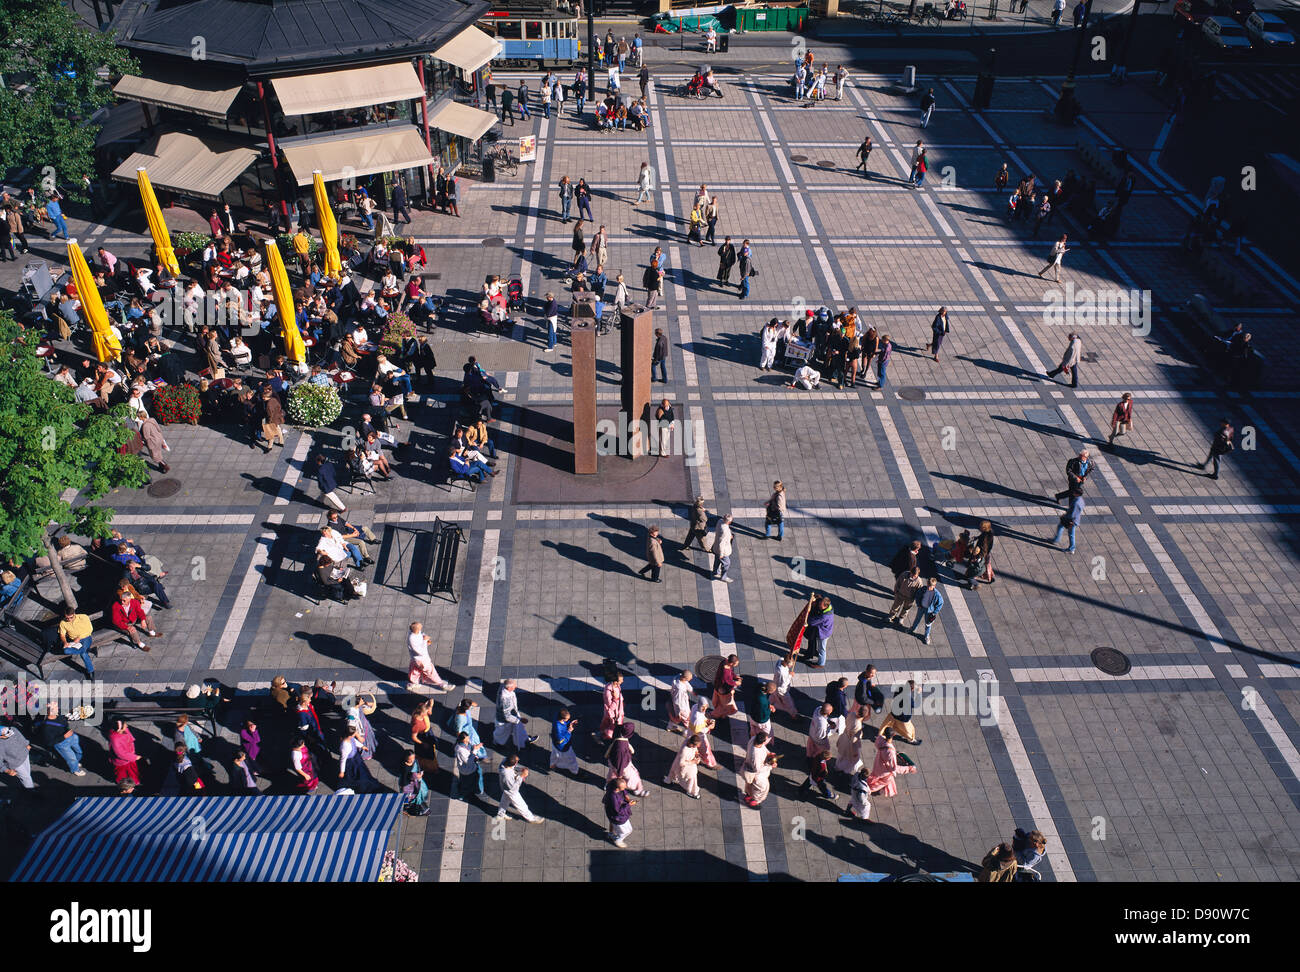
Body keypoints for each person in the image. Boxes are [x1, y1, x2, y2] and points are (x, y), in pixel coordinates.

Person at [866, 726, 917, 797]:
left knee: (875, 776)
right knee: (883, 782)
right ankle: (869, 789)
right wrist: (909, 769)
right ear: (894, 735)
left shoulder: (880, 739)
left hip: (878, 763)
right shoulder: (890, 752)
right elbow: (893, 768)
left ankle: (870, 785)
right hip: (884, 771)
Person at [40, 702, 85, 776]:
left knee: (79, 752)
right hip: (62, 744)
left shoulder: (58, 714)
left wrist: (71, 713)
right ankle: (75, 770)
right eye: (56, 707)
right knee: (71, 759)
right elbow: (50, 742)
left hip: (72, 737)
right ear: (51, 712)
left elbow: (65, 721)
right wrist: (64, 736)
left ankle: (75, 763)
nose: (58, 708)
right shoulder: (46, 727)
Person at [496, 754, 544, 823]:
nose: (517, 762)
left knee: (505, 801)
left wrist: (521, 769)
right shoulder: (507, 775)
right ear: (514, 763)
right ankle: (531, 818)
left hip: (505, 788)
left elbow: (513, 767)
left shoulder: (505, 762)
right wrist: (522, 776)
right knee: (521, 805)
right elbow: (514, 788)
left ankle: (500, 815)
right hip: (511, 791)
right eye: (517, 761)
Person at [605, 722, 649, 796]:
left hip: (612, 762)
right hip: (623, 766)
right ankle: (638, 790)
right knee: (634, 777)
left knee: (612, 775)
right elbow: (620, 761)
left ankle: (608, 785)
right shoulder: (621, 748)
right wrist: (620, 774)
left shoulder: (618, 735)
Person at [494, 677, 537, 750]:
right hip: (506, 720)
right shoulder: (505, 700)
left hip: (511, 715)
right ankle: (498, 744)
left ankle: (524, 739)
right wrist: (518, 720)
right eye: (514, 686)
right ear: (508, 688)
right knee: (502, 733)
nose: (516, 687)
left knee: (518, 729)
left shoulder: (503, 687)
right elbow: (507, 716)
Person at [407, 620, 450, 691]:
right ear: (417, 629)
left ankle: (414, 683)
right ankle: (441, 684)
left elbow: (420, 634)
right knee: (431, 672)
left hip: (415, 660)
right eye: (420, 628)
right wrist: (424, 641)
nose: (421, 629)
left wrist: (425, 640)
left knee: (415, 671)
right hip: (422, 660)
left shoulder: (413, 632)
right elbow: (421, 651)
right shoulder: (412, 639)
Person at [56, 605, 96, 677]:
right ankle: (87, 649)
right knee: (66, 651)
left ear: (74, 614)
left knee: (83, 654)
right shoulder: (63, 622)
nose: (69, 620)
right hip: (74, 642)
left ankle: (91, 671)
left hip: (86, 638)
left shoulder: (83, 617)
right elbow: (62, 635)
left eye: (71, 617)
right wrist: (65, 642)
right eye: (67, 618)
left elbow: (90, 630)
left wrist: (79, 638)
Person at [664, 733, 703, 798]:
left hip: (678, 762)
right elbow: (681, 763)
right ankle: (692, 792)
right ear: (693, 745)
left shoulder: (689, 739)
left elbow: (695, 750)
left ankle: (668, 781)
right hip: (686, 766)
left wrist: (697, 754)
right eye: (697, 746)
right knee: (692, 778)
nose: (698, 747)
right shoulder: (684, 751)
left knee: (673, 770)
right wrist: (693, 761)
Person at [910, 577, 946, 644]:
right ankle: (913, 628)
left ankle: (926, 636)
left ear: (934, 586)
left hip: (929, 611)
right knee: (917, 619)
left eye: (930, 586)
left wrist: (934, 612)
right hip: (921, 607)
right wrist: (918, 604)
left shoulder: (937, 594)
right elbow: (917, 595)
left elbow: (941, 603)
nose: (928, 587)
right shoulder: (923, 589)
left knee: (928, 624)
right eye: (928, 585)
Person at [109, 719, 141, 792]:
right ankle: (124, 784)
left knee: (132, 771)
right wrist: (135, 757)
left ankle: (132, 782)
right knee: (123, 773)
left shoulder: (123, 730)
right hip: (123, 761)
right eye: (125, 725)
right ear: (119, 729)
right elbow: (121, 754)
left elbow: (129, 736)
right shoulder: (115, 740)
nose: (127, 725)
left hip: (129, 756)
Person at [802, 595, 834, 667]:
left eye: (821, 605)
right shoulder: (830, 607)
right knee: (821, 647)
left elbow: (812, 622)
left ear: (825, 606)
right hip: (827, 630)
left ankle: (821, 663)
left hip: (824, 633)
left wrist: (807, 617)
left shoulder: (824, 616)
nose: (819, 606)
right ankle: (814, 653)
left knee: (822, 649)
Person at [604, 776, 636, 847]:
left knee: (612, 823)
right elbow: (618, 811)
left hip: (611, 813)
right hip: (618, 817)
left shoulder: (612, 786)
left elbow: (623, 791)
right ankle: (618, 840)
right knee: (628, 831)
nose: (625, 788)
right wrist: (629, 804)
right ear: (617, 789)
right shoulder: (613, 799)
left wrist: (627, 796)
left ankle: (611, 834)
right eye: (624, 787)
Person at [454, 730, 485, 799]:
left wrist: (475, 747)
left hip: (471, 767)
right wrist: (475, 750)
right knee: (467, 782)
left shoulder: (466, 744)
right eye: (467, 738)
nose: (469, 739)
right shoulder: (460, 750)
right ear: (463, 740)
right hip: (467, 770)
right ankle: (463, 794)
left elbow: (471, 749)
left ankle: (475, 789)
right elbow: (468, 762)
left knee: (473, 778)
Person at [709, 654, 741, 720]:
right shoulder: (725, 672)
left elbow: (730, 673)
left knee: (718, 702)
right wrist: (736, 683)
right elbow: (728, 681)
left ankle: (721, 715)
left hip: (718, 687)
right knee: (725, 706)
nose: (737, 665)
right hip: (724, 690)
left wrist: (735, 676)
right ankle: (712, 714)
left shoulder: (725, 662)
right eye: (736, 664)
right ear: (731, 663)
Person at [550, 708, 580, 775]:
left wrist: (570, 723)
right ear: (562, 718)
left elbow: (565, 723)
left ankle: (552, 765)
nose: (568, 720)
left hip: (555, 744)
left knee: (554, 754)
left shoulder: (557, 718)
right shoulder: (557, 728)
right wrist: (569, 731)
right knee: (571, 759)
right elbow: (561, 741)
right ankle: (575, 771)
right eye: (567, 719)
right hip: (563, 747)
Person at [599, 672, 625, 740]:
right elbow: (610, 708)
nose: (623, 681)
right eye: (621, 680)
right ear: (616, 681)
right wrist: (616, 699)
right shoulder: (608, 692)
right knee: (610, 730)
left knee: (612, 727)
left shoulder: (617, 686)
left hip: (618, 712)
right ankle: (607, 739)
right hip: (613, 716)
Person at [773, 651, 799, 718]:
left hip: (775, 684)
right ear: (786, 664)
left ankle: (770, 706)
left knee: (773, 697)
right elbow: (783, 684)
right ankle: (794, 714)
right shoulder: (782, 673)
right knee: (788, 702)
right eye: (790, 665)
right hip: (782, 690)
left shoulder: (781, 660)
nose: (791, 666)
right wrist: (790, 675)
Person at [711, 513, 734, 582]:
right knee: (727, 563)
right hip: (722, 551)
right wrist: (721, 554)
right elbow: (722, 544)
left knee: (717, 560)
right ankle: (723, 577)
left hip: (716, 546)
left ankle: (715, 571)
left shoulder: (720, 521)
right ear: (728, 522)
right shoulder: (725, 532)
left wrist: (729, 536)